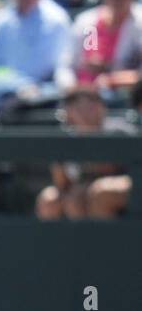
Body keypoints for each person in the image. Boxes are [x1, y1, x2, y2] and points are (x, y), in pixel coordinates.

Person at [36, 85, 134, 218]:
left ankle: (104, 239)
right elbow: (61, 184)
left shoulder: (118, 131)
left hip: (131, 180)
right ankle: (74, 239)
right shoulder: (66, 138)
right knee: (50, 198)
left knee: (97, 191)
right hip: (84, 186)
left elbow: (106, 169)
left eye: (91, 106)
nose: (86, 113)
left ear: (102, 108)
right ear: (68, 113)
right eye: (79, 108)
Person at [57, 0, 142, 91]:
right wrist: (72, 89)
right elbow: (65, 66)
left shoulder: (139, 22)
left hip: (123, 97)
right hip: (82, 94)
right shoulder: (86, 21)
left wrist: (113, 79)